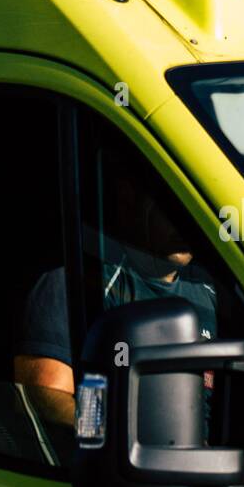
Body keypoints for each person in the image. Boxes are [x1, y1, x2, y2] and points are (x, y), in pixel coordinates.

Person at [14, 165, 217, 430]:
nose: (187, 218)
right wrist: (121, 441)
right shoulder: (81, 281)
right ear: (128, 199)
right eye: (173, 202)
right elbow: (42, 396)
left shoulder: (211, 295)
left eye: (195, 204)